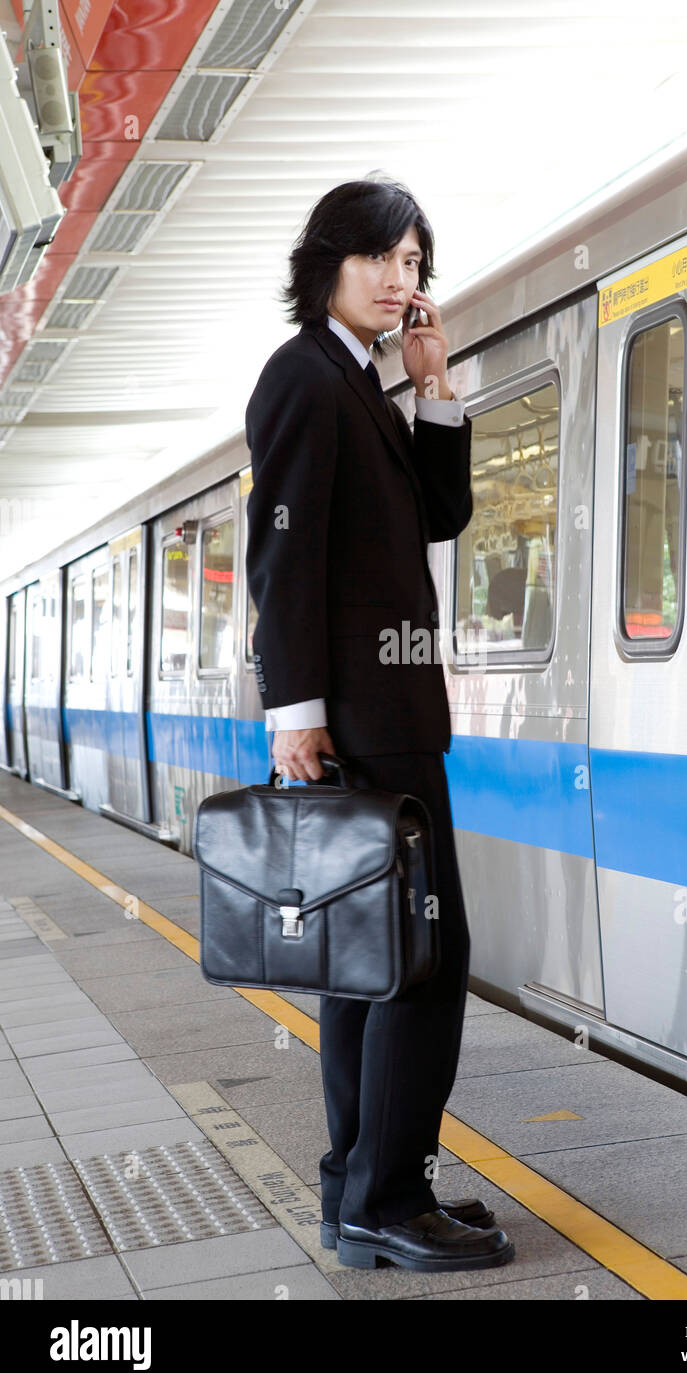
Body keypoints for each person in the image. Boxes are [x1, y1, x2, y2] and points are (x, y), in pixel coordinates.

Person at [244, 176, 515, 1273]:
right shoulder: (303, 378)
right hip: (364, 723)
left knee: (370, 960)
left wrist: (433, 386)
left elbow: (438, 515)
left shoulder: (364, 383)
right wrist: (294, 713)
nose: (403, 282)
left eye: (415, 265)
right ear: (329, 263)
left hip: (386, 714)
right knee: (424, 957)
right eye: (384, 260)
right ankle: (389, 1200)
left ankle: (356, 1192)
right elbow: (282, 554)